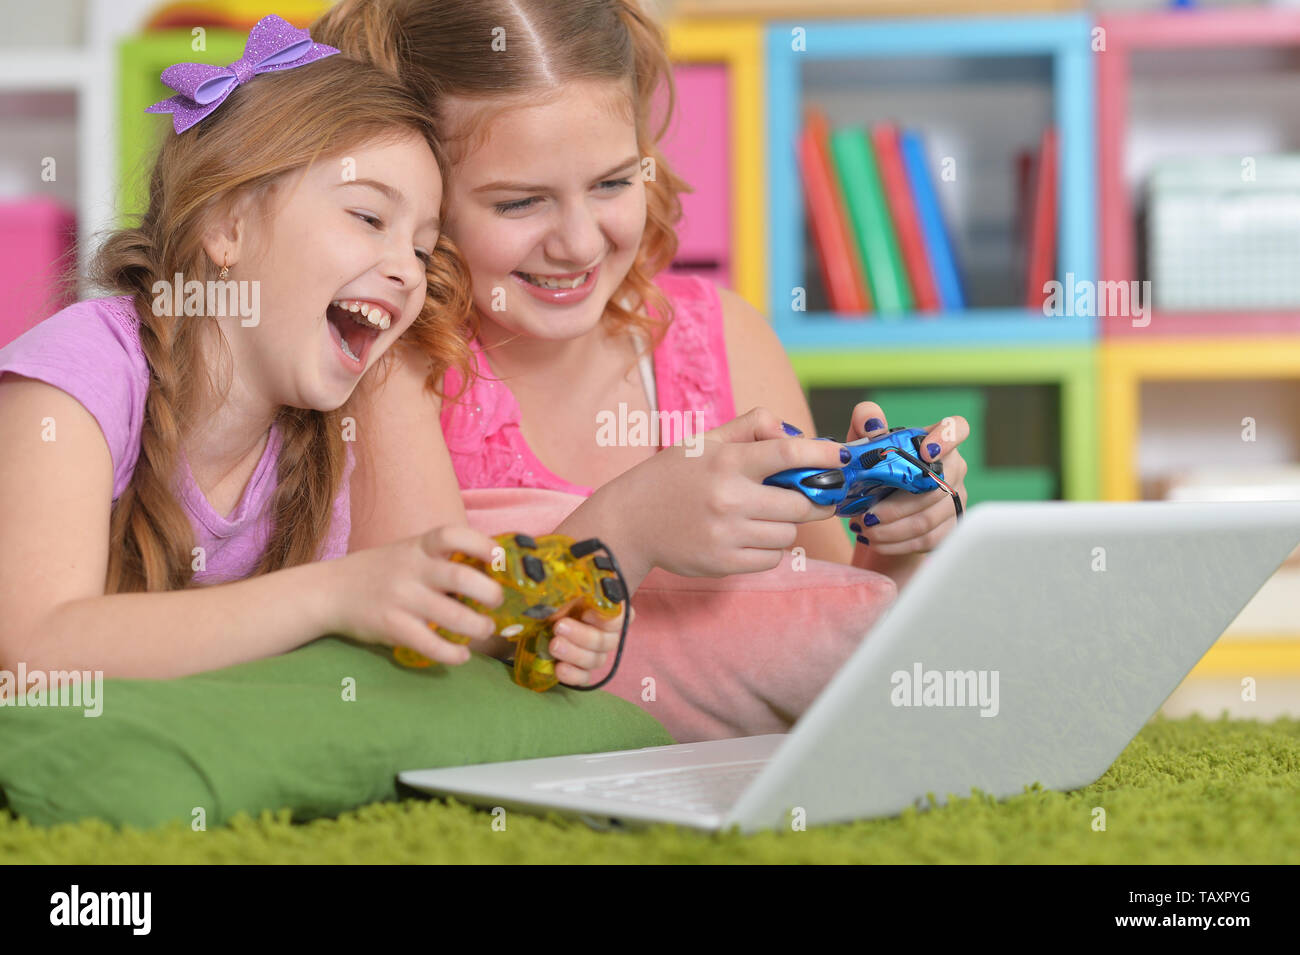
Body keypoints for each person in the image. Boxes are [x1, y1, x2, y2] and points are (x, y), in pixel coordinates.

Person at [313, 0, 971, 681]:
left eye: (611, 184)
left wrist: (895, 540)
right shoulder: (398, 366)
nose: (578, 243)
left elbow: (825, 616)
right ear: (420, 197)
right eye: (519, 202)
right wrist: (625, 527)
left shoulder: (723, 337)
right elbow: (423, 646)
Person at [0, 15, 618, 685]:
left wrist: (532, 626)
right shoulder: (75, 377)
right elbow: (34, 647)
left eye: (421, 246)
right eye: (369, 218)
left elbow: (403, 620)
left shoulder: (327, 438)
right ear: (226, 223)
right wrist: (331, 596)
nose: (409, 271)